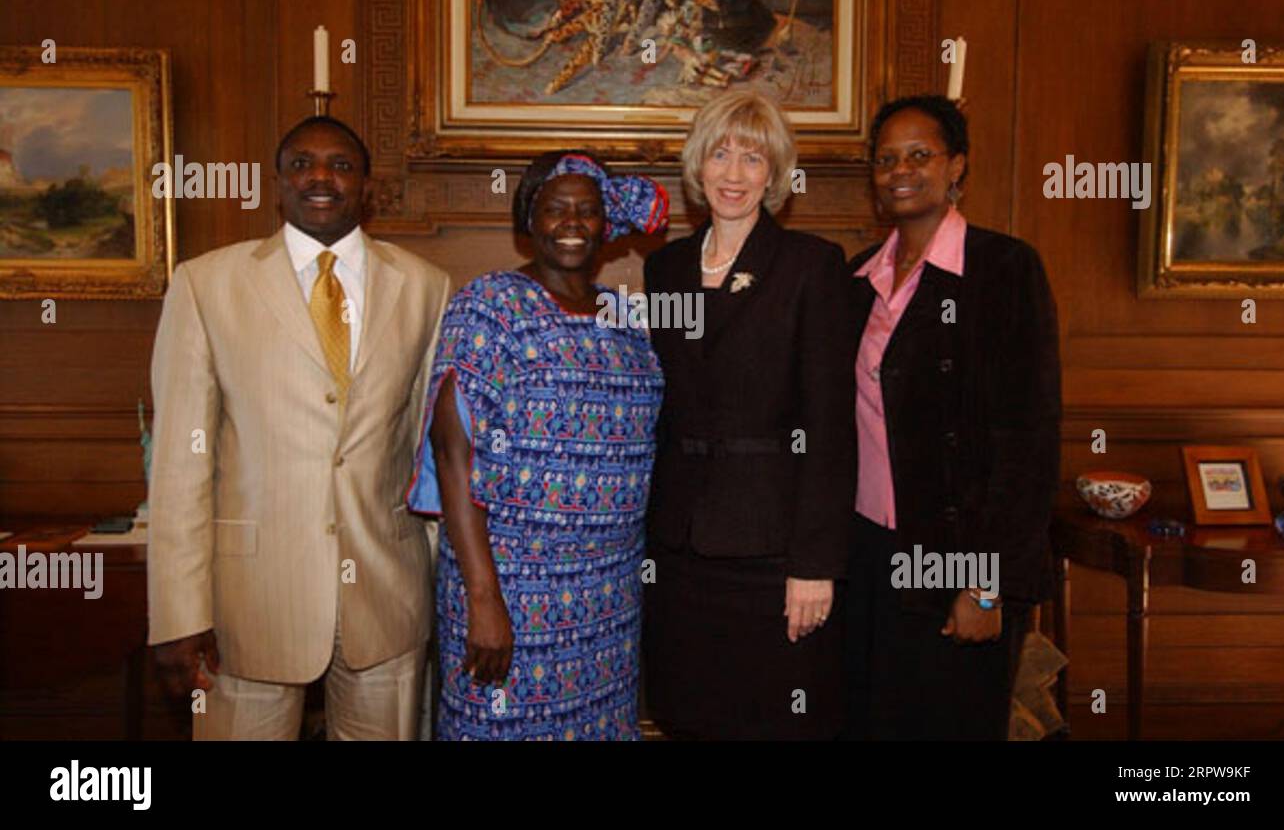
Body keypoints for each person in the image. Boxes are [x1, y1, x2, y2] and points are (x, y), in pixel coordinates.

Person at [147, 116, 451, 740]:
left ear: (366, 185)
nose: (321, 177)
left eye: (340, 165)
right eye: (302, 164)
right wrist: (178, 613)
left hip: (386, 596)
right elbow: (180, 464)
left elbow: (429, 455)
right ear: (277, 182)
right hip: (249, 601)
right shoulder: (207, 285)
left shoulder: (426, 288)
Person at [407, 150, 668, 740]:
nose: (572, 223)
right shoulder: (486, 307)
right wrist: (483, 599)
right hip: (510, 586)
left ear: (607, 225)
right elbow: (453, 455)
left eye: (587, 211)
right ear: (529, 221)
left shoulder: (624, 318)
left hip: (608, 594)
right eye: (555, 210)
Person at [842, 95, 1062, 740]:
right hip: (869, 555)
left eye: (919, 155)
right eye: (885, 159)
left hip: (959, 558)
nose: (900, 170)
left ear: (956, 166)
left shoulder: (1003, 269)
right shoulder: (857, 277)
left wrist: (986, 585)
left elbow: (1028, 441)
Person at [642, 88, 858, 740]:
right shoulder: (665, 269)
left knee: (773, 720)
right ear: (698, 164)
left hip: (773, 552)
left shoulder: (811, 266)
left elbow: (829, 425)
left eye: (753, 158)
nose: (734, 174)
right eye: (721, 153)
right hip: (678, 550)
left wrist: (814, 563)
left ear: (776, 174)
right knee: (686, 713)